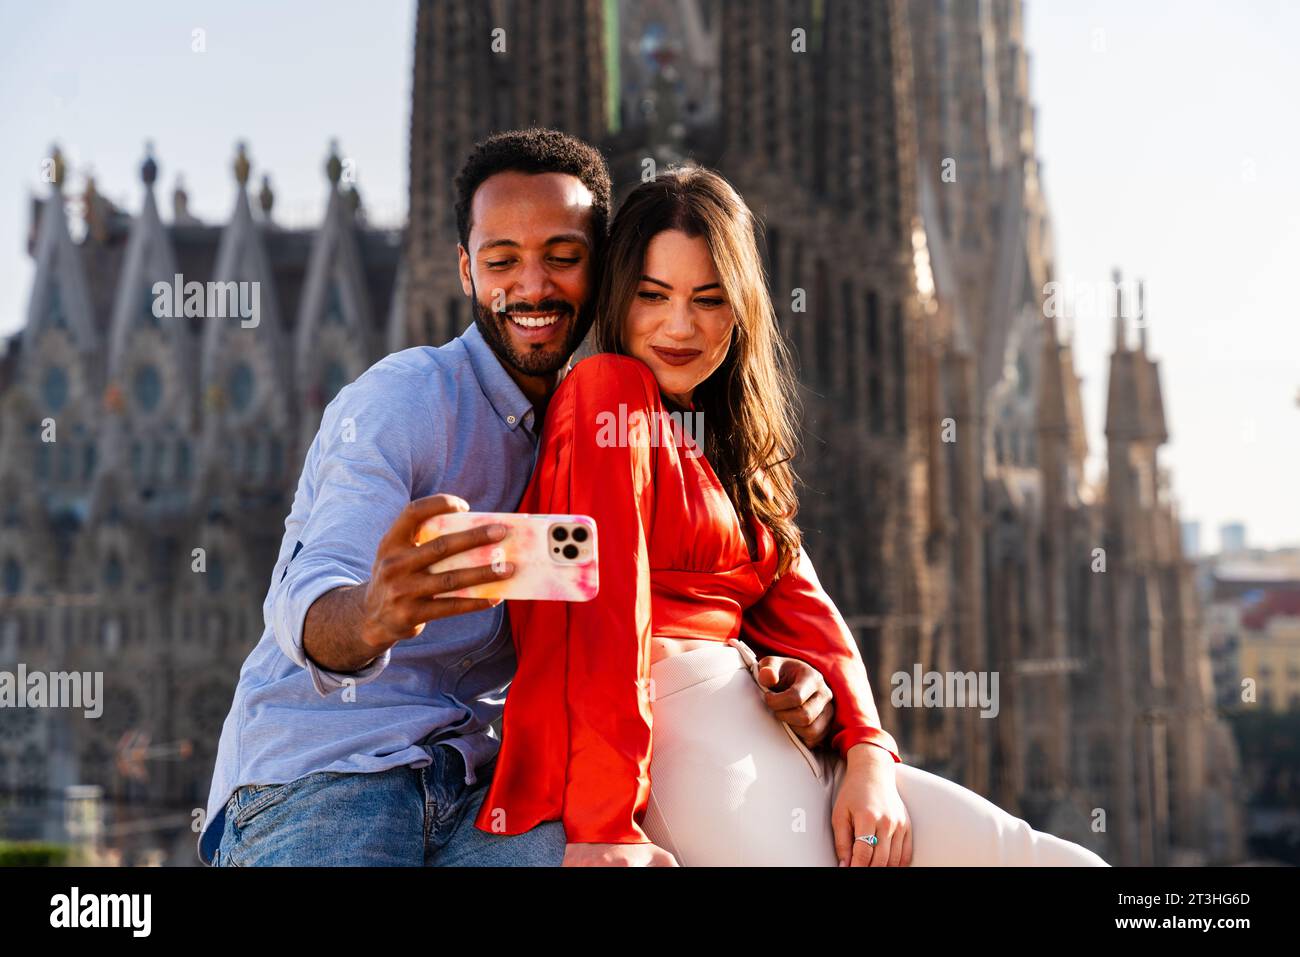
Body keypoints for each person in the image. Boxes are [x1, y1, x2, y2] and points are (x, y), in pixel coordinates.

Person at [198, 129, 841, 866]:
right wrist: (374, 613)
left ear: (603, 271)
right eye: (503, 261)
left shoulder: (609, 430)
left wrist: (803, 682)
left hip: (481, 791)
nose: (533, 287)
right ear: (466, 269)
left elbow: (697, 591)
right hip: (326, 775)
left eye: (563, 258)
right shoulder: (403, 400)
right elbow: (308, 595)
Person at [475, 166, 1111, 867]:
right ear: (619, 299)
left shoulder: (725, 445)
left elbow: (808, 610)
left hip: (780, 735)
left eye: (708, 299)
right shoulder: (608, 391)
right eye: (652, 296)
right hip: (683, 739)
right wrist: (604, 828)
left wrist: (867, 751)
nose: (679, 325)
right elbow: (600, 618)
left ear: (740, 308)